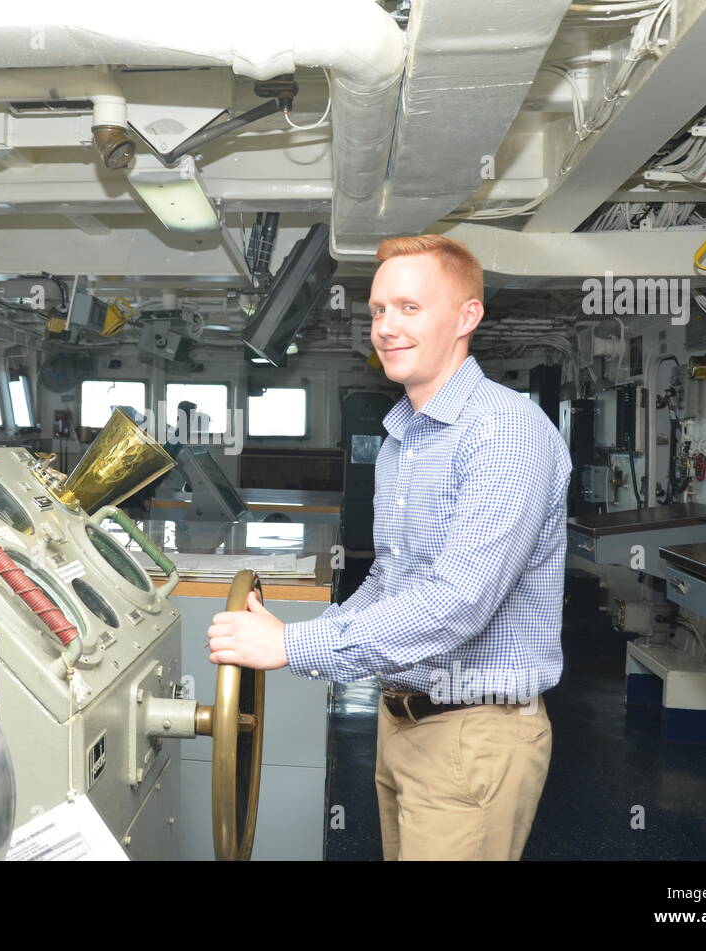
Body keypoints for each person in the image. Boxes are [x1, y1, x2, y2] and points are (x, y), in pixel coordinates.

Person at [206, 234, 572, 861]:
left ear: (466, 317)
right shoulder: (405, 434)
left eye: (409, 308)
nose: (386, 328)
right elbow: (390, 580)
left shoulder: (505, 433)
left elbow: (458, 603)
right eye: (378, 311)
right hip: (401, 721)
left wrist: (292, 646)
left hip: (473, 733)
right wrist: (305, 629)